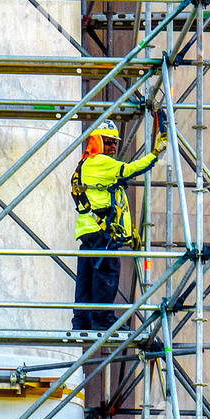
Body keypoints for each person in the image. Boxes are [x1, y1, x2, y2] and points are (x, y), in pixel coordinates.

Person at [70, 113, 167, 333]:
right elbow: (131, 169)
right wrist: (155, 153)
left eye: (115, 142)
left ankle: (82, 321)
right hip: (100, 232)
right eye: (109, 142)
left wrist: (129, 235)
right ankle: (102, 320)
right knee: (106, 274)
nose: (114, 146)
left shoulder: (88, 165)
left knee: (87, 275)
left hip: (90, 231)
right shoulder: (101, 163)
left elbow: (116, 204)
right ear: (98, 141)